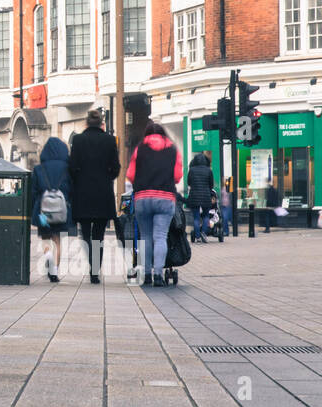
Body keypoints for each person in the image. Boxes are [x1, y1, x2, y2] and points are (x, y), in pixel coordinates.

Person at [127, 121, 182, 287]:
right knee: (160, 237)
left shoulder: (140, 148)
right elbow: (178, 175)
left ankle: (147, 273)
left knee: (145, 237)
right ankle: (158, 275)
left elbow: (130, 174)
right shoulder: (173, 149)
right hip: (165, 198)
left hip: (143, 197)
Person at [68, 108, 120, 283]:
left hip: (83, 193)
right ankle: (95, 270)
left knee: (86, 233)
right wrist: (106, 177)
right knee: (99, 233)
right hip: (103, 193)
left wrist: (80, 179)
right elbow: (116, 168)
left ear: (86, 123)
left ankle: (92, 262)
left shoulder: (79, 140)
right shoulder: (110, 140)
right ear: (101, 124)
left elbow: (72, 167)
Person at [30, 137, 73, 283]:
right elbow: (71, 189)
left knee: (46, 237)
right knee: (57, 239)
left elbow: (33, 191)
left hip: (43, 211)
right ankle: (54, 270)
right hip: (61, 210)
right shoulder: (67, 168)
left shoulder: (38, 169)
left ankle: (47, 253)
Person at [183, 152, 215, 245]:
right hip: (206, 195)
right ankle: (204, 233)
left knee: (196, 217)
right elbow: (211, 184)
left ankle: (197, 237)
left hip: (194, 196)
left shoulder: (192, 170)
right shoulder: (208, 170)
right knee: (205, 216)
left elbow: (189, 182)